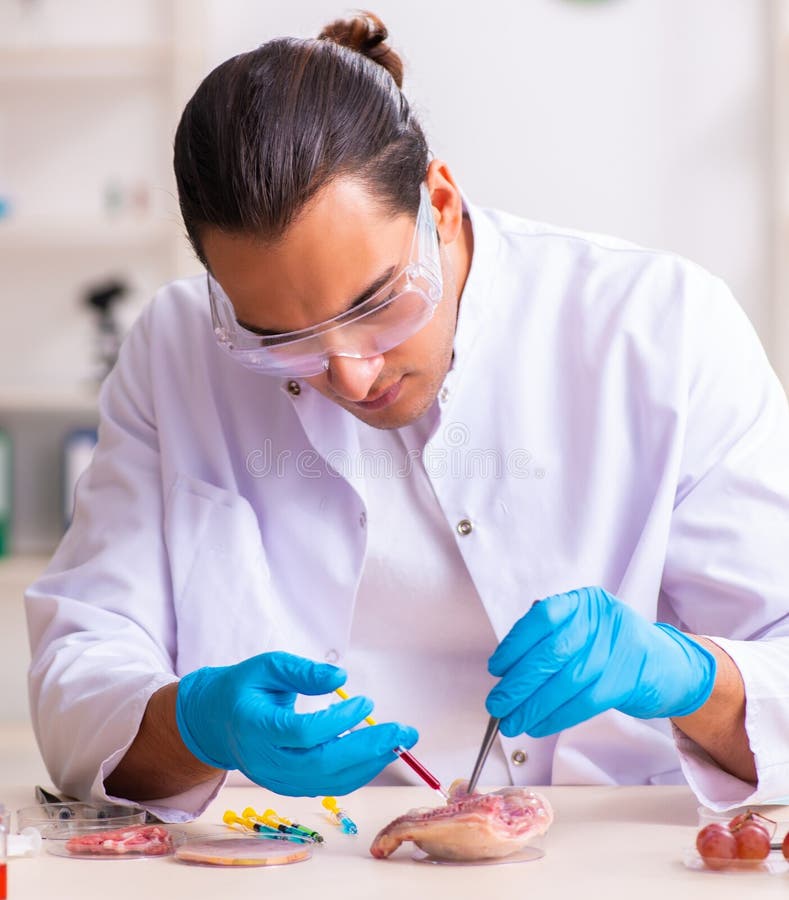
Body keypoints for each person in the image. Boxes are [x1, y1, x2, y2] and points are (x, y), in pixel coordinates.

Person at [25, 12, 789, 822]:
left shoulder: (662, 326)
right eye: (283, 339)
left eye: (376, 302)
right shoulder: (178, 351)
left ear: (442, 205)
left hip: (614, 850)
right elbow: (84, 668)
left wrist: (685, 674)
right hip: (292, 854)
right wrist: (193, 722)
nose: (351, 375)